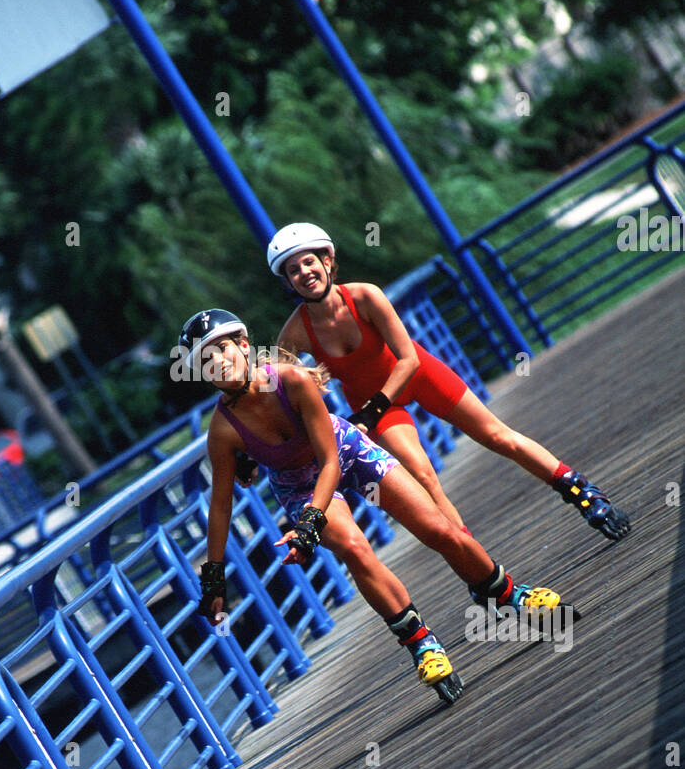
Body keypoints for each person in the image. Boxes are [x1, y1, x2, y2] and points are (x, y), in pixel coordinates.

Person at [177, 308, 574, 707]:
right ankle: (422, 644)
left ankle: (507, 594)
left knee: (439, 530)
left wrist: (311, 523)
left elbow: (330, 460)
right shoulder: (224, 430)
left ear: (244, 345)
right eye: (205, 361)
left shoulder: (292, 381)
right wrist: (213, 578)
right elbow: (221, 507)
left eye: (223, 349)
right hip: (298, 483)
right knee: (353, 547)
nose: (218, 363)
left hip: (345, 453)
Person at [266, 222, 631, 542]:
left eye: (310, 262)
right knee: (422, 474)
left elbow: (407, 359)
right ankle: (473, 557)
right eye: (294, 270)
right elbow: (274, 397)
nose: (305, 273)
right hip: (375, 405)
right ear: (287, 282)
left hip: (415, 375)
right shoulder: (295, 333)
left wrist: (369, 412)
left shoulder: (365, 296)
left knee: (496, 436)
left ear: (328, 260)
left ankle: (583, 492)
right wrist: (252, 452)